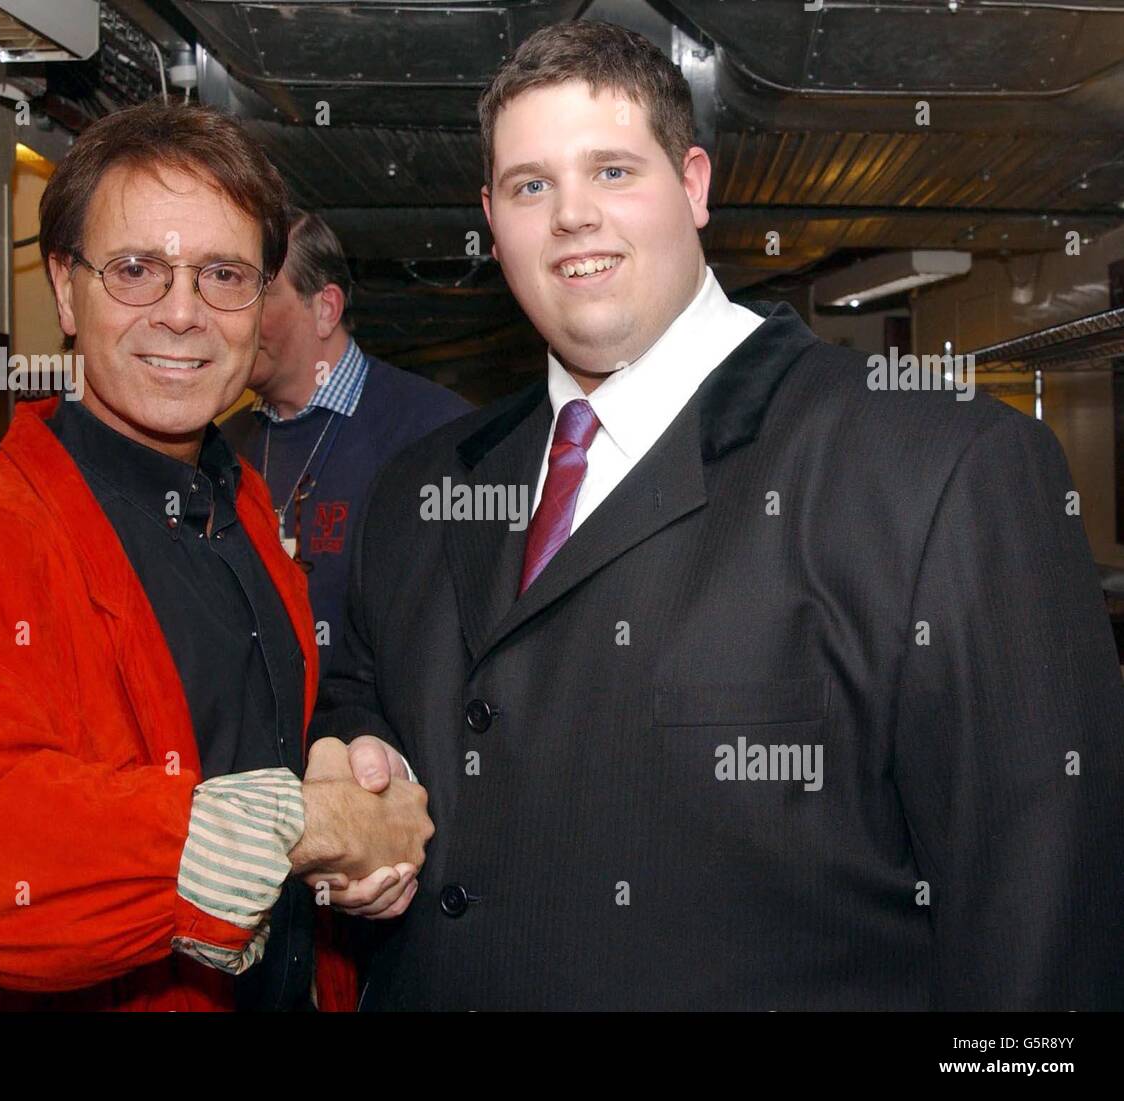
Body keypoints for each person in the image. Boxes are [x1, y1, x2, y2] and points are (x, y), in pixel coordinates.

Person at [314, 21, 1124, 1010]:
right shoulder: (424, 483)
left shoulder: (938, 468)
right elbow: (360, 691)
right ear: (493, 218)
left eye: (612, 171)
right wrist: (351, 757)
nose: (571, 216)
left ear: (693, 185)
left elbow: (1040, 916)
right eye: (530, 186)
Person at [0, 101, 432, 1012]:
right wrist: (310, 826)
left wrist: (336, 764)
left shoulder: (237, 497)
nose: (183, 315)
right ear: (65, 291)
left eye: (224, 275)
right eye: (135, 270)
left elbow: (261, 731)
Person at [221, 209, 469, 674]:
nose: (235, 319)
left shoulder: (438, 432)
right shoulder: (220, 447)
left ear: (326, 310)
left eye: (261, 294)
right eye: (232, 291)